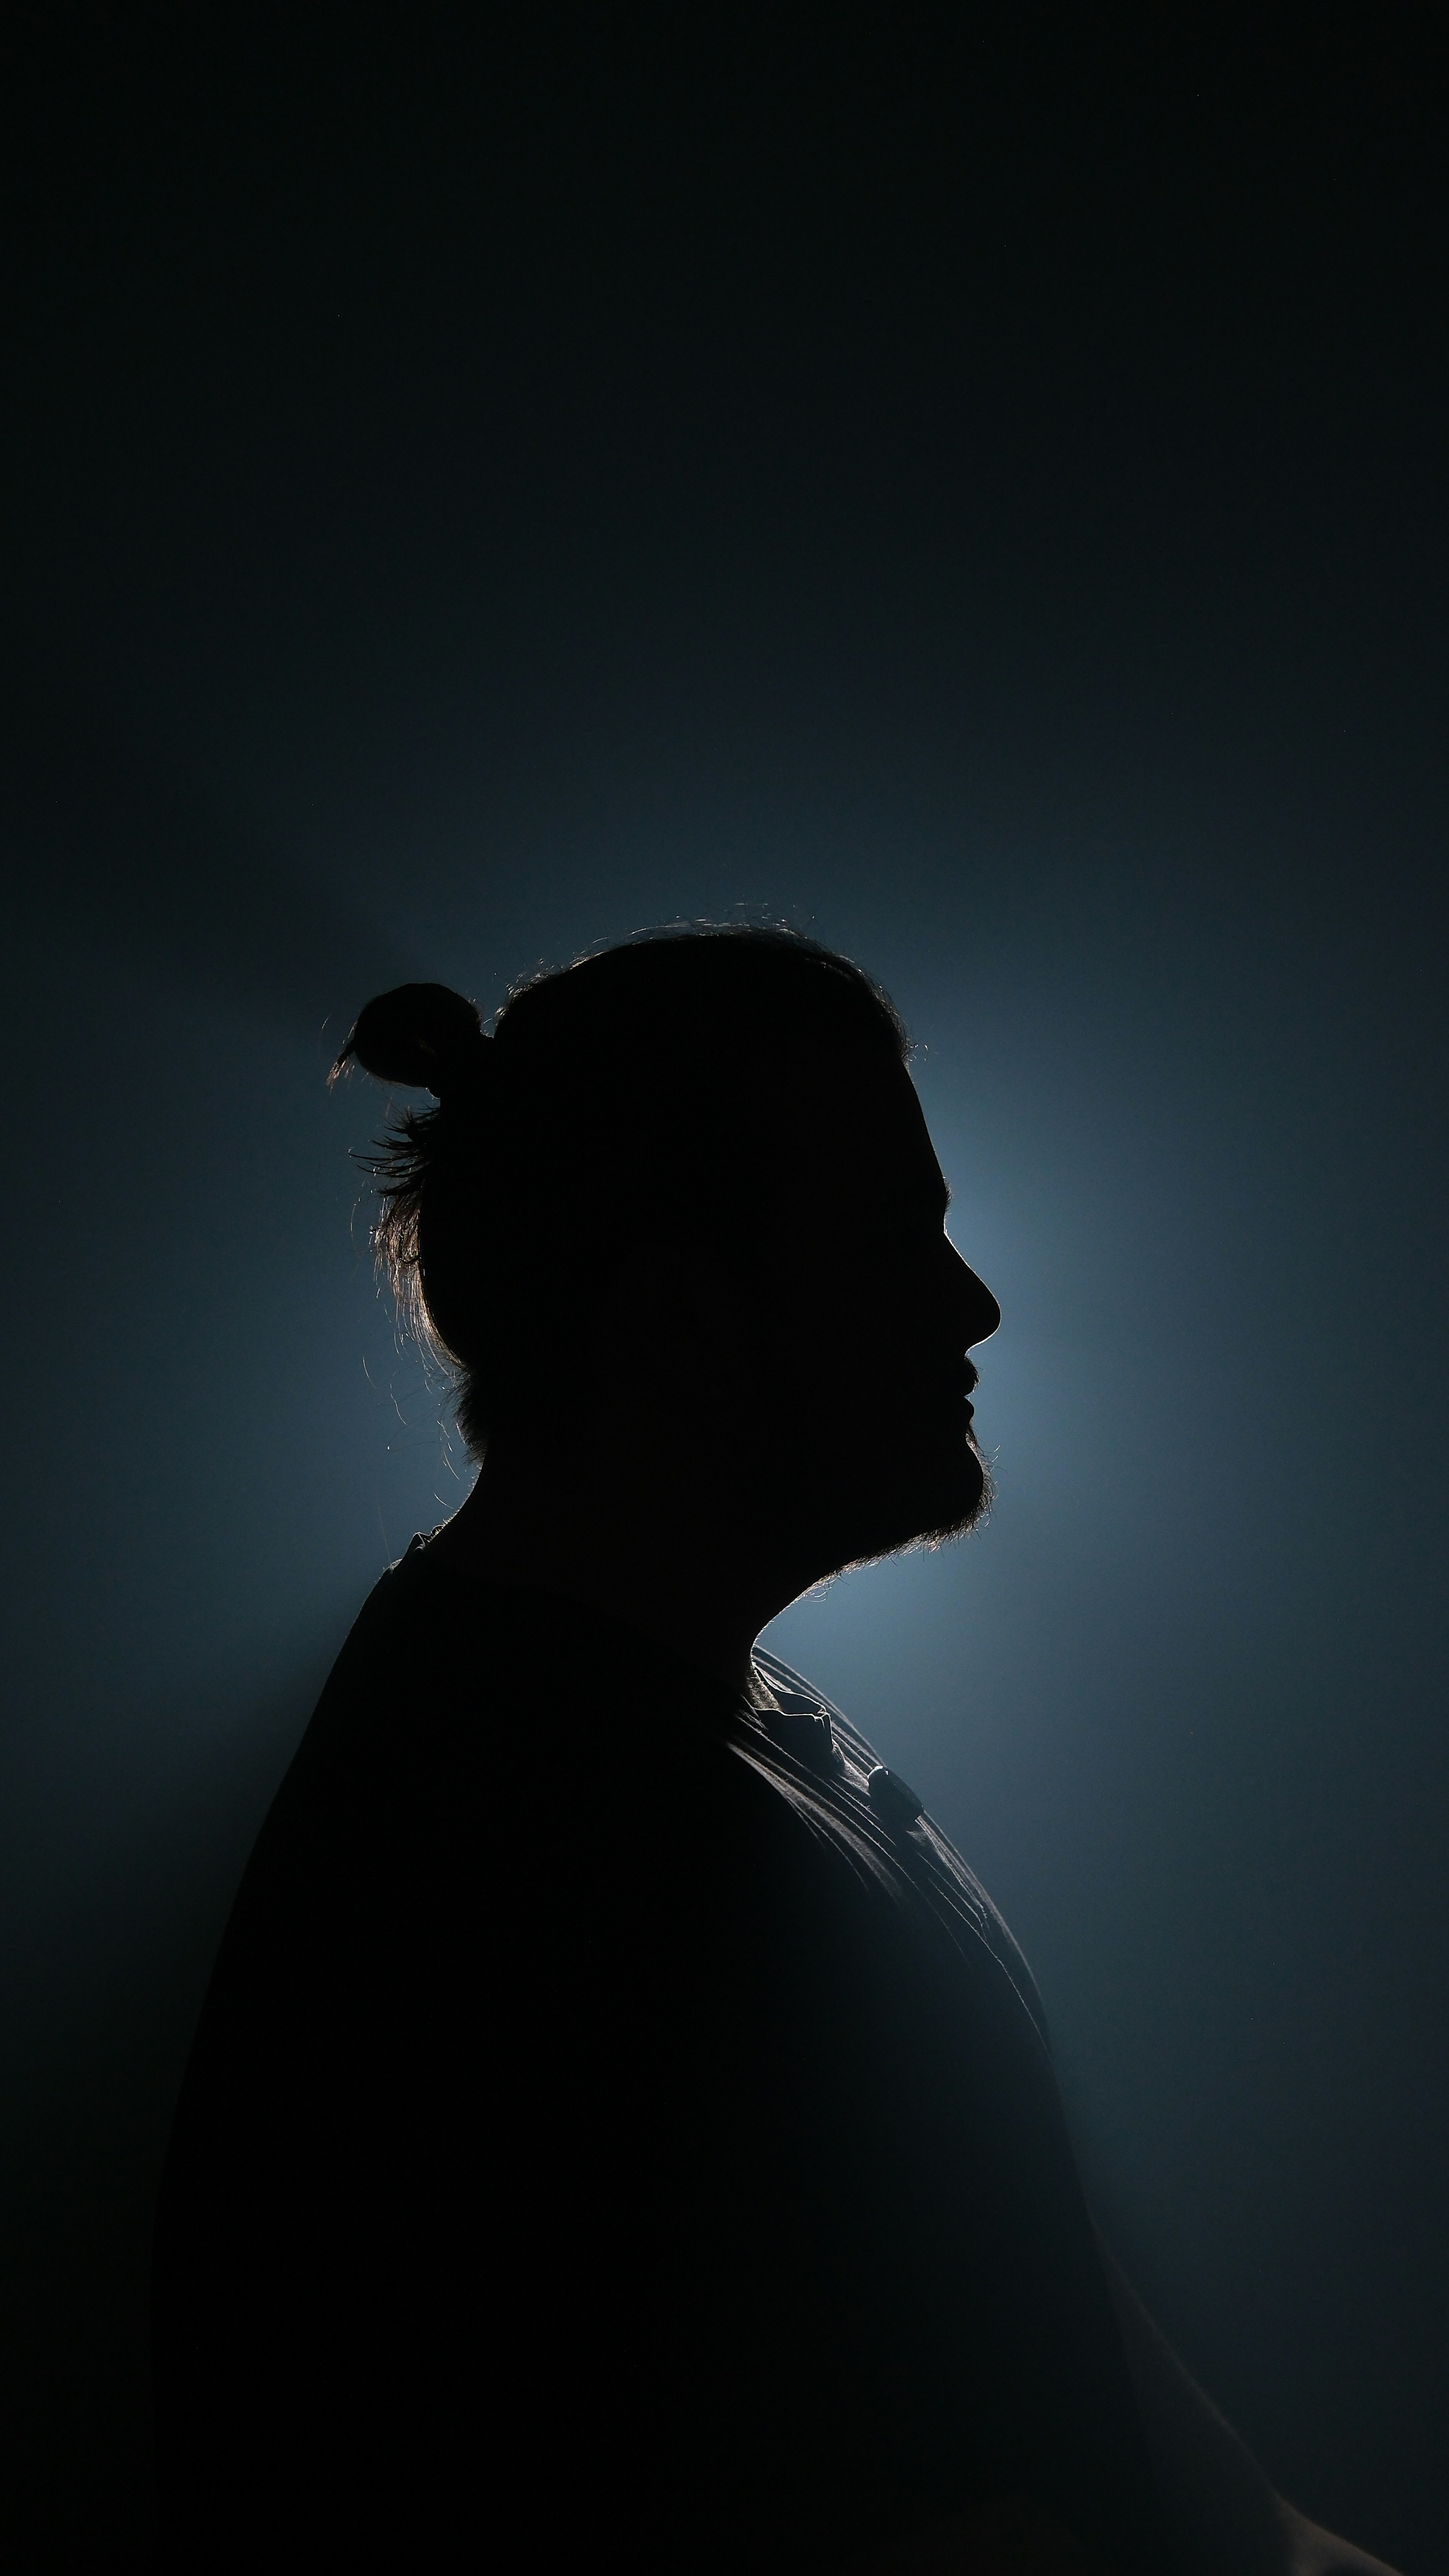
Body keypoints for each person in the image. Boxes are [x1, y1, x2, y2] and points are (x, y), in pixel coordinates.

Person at [152, 926, 1398, 2573]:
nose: (971, 1304)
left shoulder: (714, 1724)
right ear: (678, 1320)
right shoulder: (533, 1849)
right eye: (891, 1242)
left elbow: (1079, 2368)